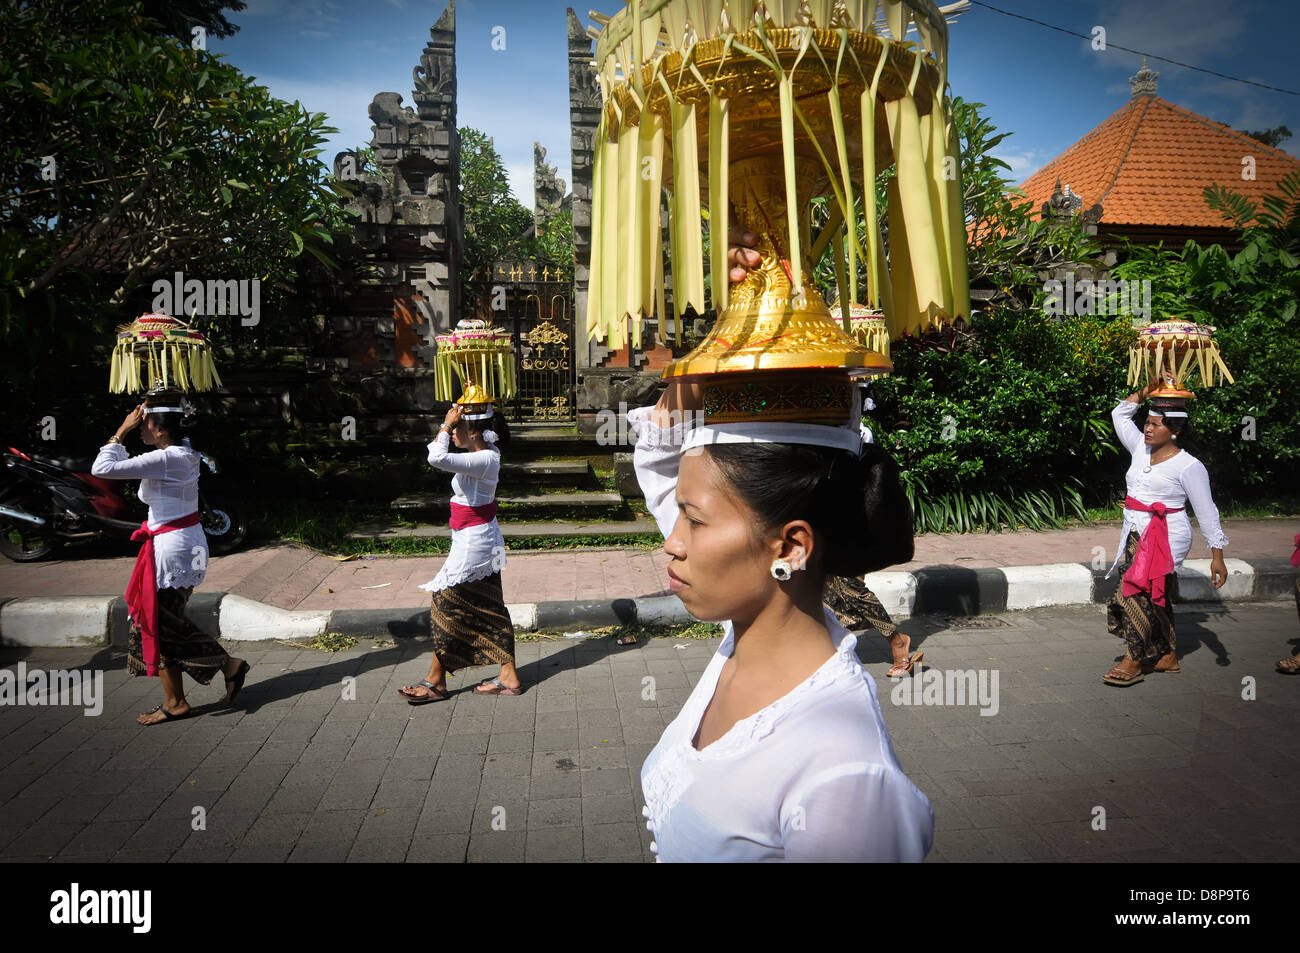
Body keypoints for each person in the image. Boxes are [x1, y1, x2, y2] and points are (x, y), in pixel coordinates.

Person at [632, 377, 934, 861]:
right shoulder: (744, 636)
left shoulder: (845, 777)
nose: (671, 539)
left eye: (693, 519)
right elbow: (666, 467)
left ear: (791, 548)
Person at [726, 228, 923, 677]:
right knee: (807, 581)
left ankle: (896, 640)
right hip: (803, 491)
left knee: (836, 580)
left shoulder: (849, 386)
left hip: (835, 490)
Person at [91, 388, 248, 724]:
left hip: (174, 550)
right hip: (182, 544)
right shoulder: (184, 451)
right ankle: (199, 684)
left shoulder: (165, 458)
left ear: (160, 429)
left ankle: (188, 693)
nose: (140, 426)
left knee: (157, 624)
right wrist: (160, 399)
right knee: (166, 623)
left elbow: (102, 468)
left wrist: (122, 429)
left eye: (144, 422)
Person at [1101, 383, 1229, 686]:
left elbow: (1207, 511)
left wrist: (1217, 557)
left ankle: (1133, 658)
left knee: (1134, 592)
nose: (1146, 428)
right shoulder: (1139, 449)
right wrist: (1148, 389)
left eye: (1154, 424)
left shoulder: (1189, 466)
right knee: (1155, 593)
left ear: (1174, 430)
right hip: (1135, 532)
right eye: (1146, 422)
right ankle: (1168, 655)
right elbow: (1120, 413)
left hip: (1167, 537)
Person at [398, 388, 521, 702]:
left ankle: (436, 681)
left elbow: (436, 457)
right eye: (452, 430)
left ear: (475, 432)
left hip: (475, 544)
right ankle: (508, 674)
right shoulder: (481, 454)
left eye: (458, 429)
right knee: (488, 606)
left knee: (446, 606)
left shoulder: (483, 458)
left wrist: (445, 422)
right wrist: (469, 395)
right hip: (477, 539)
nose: (453, 434)